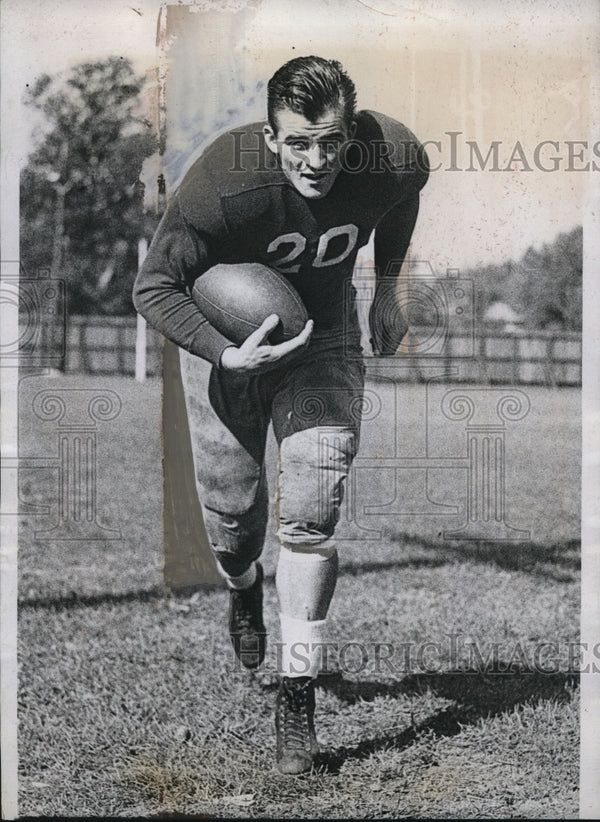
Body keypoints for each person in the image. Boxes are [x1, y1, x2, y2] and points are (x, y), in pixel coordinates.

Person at [133, 55, 429, 775]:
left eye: (330, 140)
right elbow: (154, 287)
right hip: (230, 342)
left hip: (324, 337)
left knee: (311, 512)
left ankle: (296, 693)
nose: (317, 159)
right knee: (235, 520)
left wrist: (387, 286)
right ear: (270, 137)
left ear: (351, 131)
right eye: (298, 142)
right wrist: (222, 352)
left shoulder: (388, 153)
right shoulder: (223, 182)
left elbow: (405, 192)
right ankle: (242, 593)